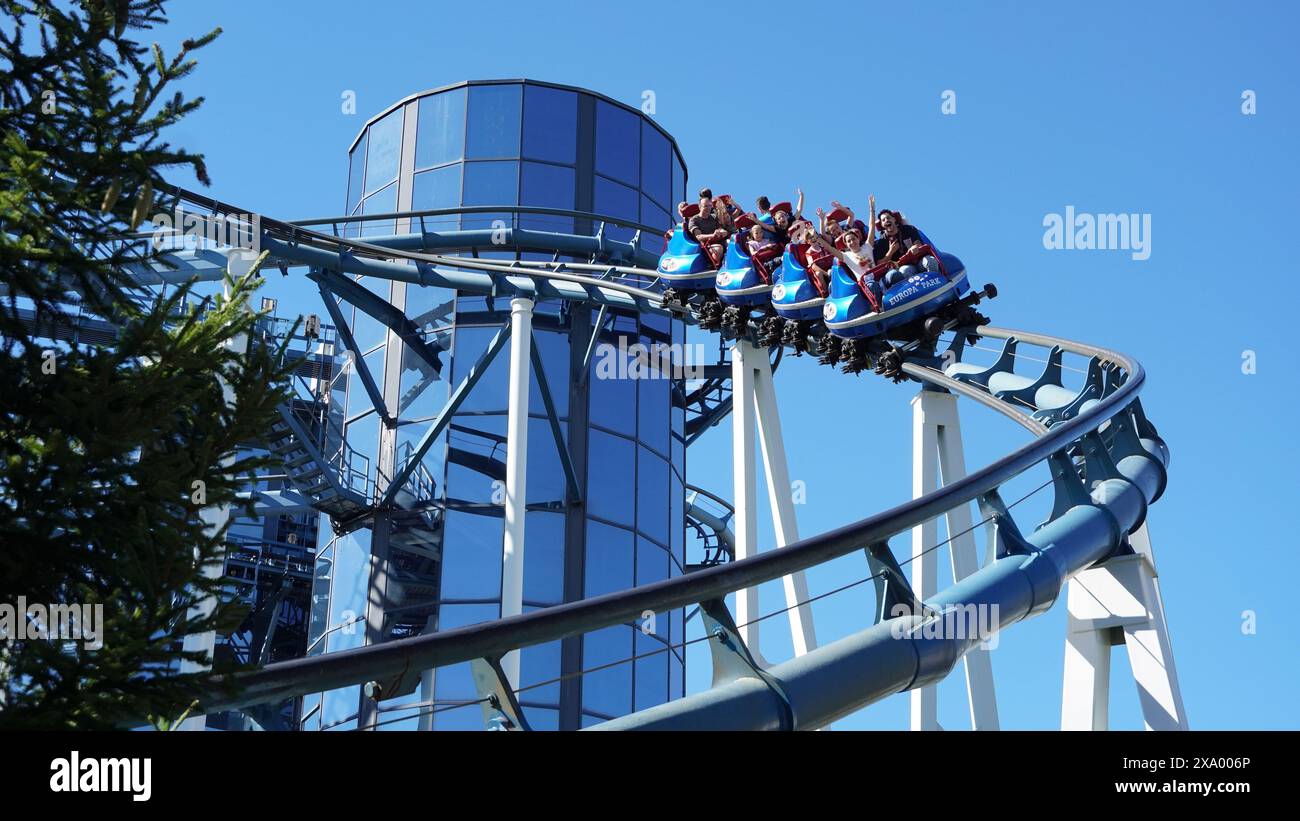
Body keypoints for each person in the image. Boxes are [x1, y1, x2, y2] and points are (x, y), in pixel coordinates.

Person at [687, 189, 733, 266]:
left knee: (732, 243)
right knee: (718, 248)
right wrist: (712, 235)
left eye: (709, 206)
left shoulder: (713, 217)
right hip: (705, 246)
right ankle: (715, 266)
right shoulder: (694, 220)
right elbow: (699, 237)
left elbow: (720, 228)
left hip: (718, 241)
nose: (708, 208)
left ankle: (731, 264)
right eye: (705, 206)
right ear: (700, 207)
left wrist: (722, 232)